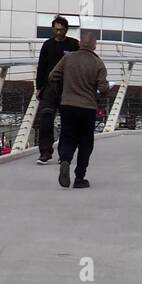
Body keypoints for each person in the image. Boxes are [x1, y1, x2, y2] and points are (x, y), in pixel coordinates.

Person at [45, 30, 109, 189]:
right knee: (86, 143)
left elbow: (52, 76)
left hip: (67, 105)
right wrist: (105, 88)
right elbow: (103, 87)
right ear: (94, 45)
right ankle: (79, 178)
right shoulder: (98, 63)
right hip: (87, 107)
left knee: (68, 136)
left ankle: (65, 160)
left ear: (80, 43)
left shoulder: (68, 58)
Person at [34, 17, 79, 165]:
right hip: (50, 88)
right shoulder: (47, 45)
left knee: (68, 122)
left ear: (66, 29)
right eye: (56, 29)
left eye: (61, 29)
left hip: (68, 88)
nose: (58, 32)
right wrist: (39, 87)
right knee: (46, 118)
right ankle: (45, 152)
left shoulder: (73, 45)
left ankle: (64, 154)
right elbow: (41, 67)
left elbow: (80, 65)